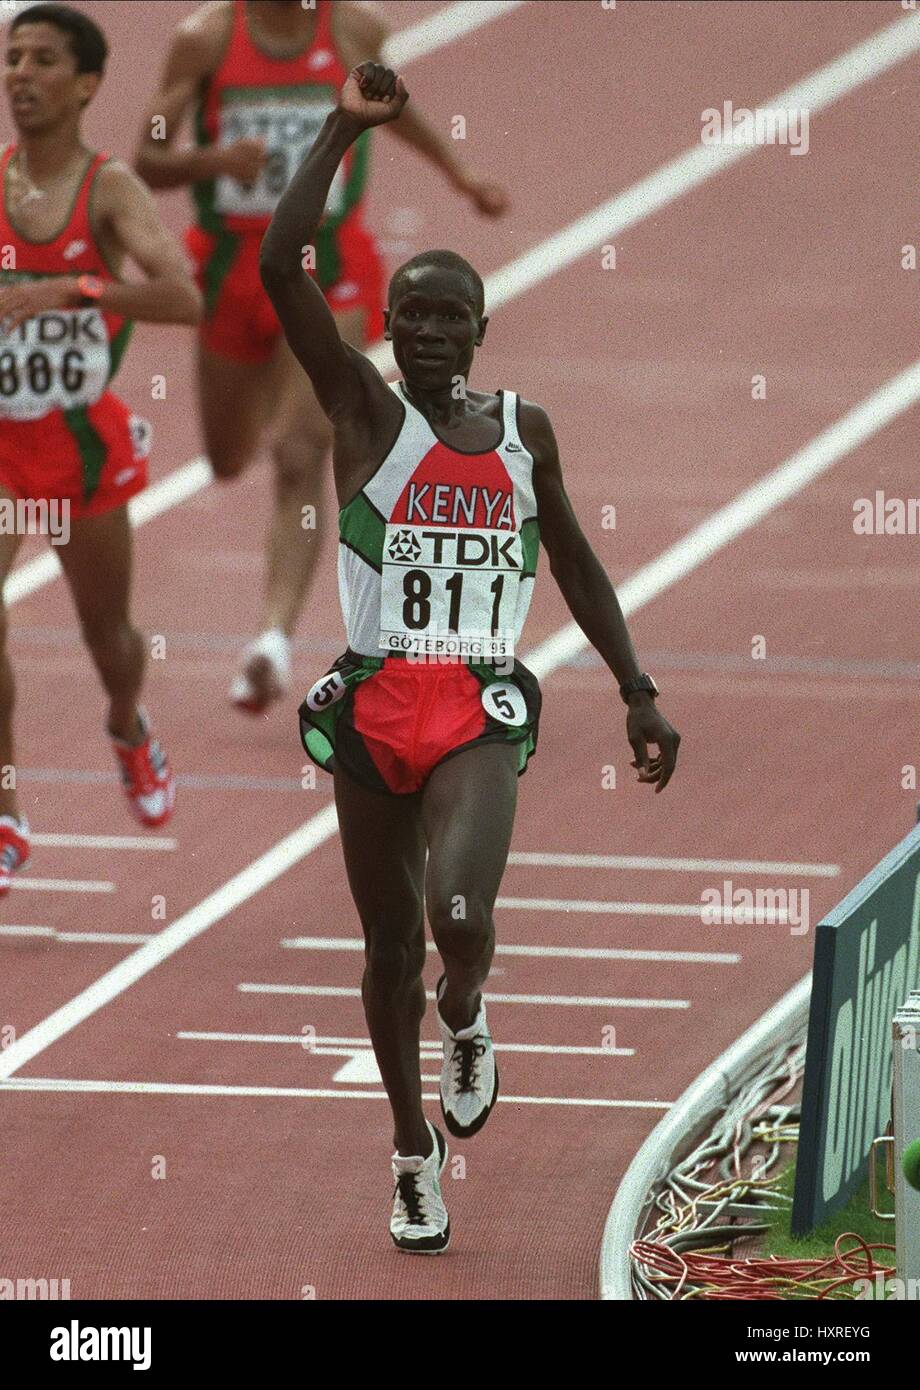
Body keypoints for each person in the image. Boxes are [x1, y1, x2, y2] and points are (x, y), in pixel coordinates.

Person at [261, 61, 681, 1253]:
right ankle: (408, 1152)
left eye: (453, 316)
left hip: (477, 697)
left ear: (481, 330)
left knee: (455, 917)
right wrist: (342, 128)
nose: (431, 331)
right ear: (385, 326)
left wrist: (636, 689)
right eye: (412, 312)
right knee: (385, 942)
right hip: (374, 691)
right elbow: (273, 266)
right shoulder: (359, 411)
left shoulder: (522, 433)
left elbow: (577, 562)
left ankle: (472, 1010)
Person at [133, 0, 509, 715]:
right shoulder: (205, 39)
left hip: (326, 265)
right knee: (226, 457)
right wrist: (212, 160)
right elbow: (147, 157)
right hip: (228, 269)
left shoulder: (354, 31)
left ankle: (271, 639)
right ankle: (271, 424)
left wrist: (460, 173)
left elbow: (394, 106)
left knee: (302, 454)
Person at [0, 3, 202, 893]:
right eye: (12, 58)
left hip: (80, 450)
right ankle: (6, 803)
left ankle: (127, 726)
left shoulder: (108, 189)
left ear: (85, 84)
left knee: (107, 638)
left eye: (43, 59)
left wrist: (69, 291)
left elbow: (181, 298)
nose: (21, 74)